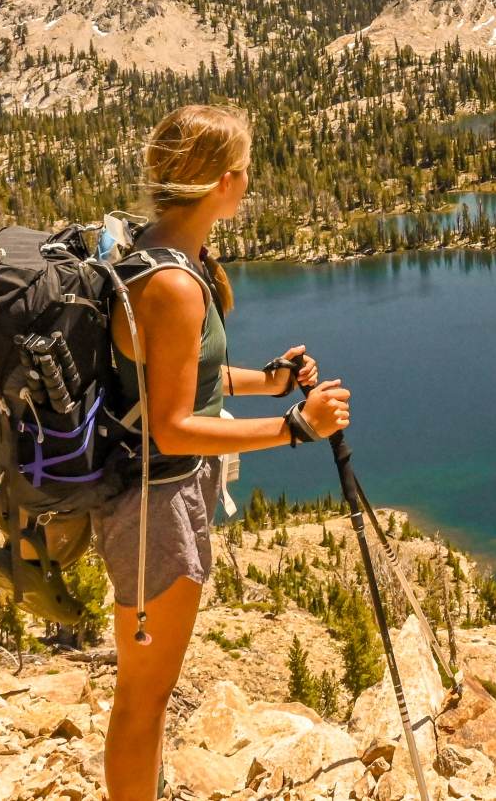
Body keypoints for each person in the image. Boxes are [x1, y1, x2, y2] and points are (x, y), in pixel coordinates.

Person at [95, 103, 352, 801]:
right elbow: (176, 425)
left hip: (165, 493)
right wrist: (295, 426)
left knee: (149, 691)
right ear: (217, 183)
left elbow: (182, 381)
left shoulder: (165, 254)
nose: (248, 180)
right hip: (154, 505)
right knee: (144, 697)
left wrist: (268, 383)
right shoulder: (175, 283)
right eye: (242, 169)